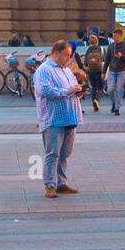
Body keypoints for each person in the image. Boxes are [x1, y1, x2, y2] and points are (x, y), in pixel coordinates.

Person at [33, 40, 85, 199]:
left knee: (65, 153)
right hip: (53, 118)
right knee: (53, 153)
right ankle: (50, 184)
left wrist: (78, 91)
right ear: (56, 53)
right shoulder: (44, 70)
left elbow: (71, 88)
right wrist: (68, 90)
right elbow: (45, 90)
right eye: (66, 55)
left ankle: (61, 183)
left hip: (70, 116)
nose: (68, 59)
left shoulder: (66, 70)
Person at [105, 29, 125, 115]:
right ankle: (114, 103)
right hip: (112, 70)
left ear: (120, 36)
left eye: (115, 36)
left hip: (122, 70)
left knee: (119, 88)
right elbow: (107, 60)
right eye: (113, 36)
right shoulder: (111, 46)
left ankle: (117, 108)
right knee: (110, 89)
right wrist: (103, 72)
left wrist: (122, 56)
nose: (113, 37)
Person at [83, 34, 104, 112]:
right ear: (97, 41)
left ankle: (94, 105)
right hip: (99, 71)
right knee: (101, 88)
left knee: (94, 87)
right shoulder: (101, 49)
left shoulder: (88, 50)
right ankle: (97, 100)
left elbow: (85, 63)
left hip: (91, 71)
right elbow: (104, 61)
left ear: (90, 42)